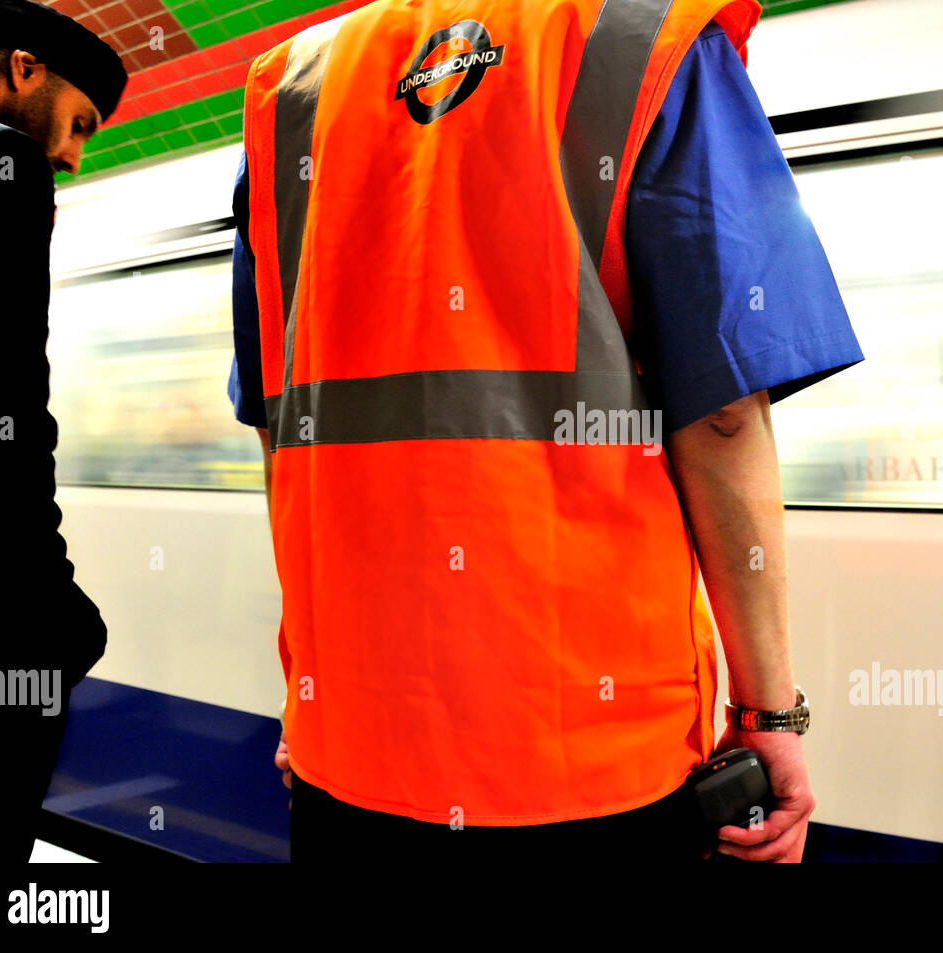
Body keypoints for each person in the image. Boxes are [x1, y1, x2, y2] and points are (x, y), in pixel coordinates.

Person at [229, 0, 863, 864]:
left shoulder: (292, 86)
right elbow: (719, 416)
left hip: (350, 750)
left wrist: (308, 690)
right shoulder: (639, 37)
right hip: (597, 761)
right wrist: (768, 717)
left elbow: (283, 428)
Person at [0, 0, 125, 863]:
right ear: (25, 68)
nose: (69, 153)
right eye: (81, 123)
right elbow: (8, 408)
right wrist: (54, 613)